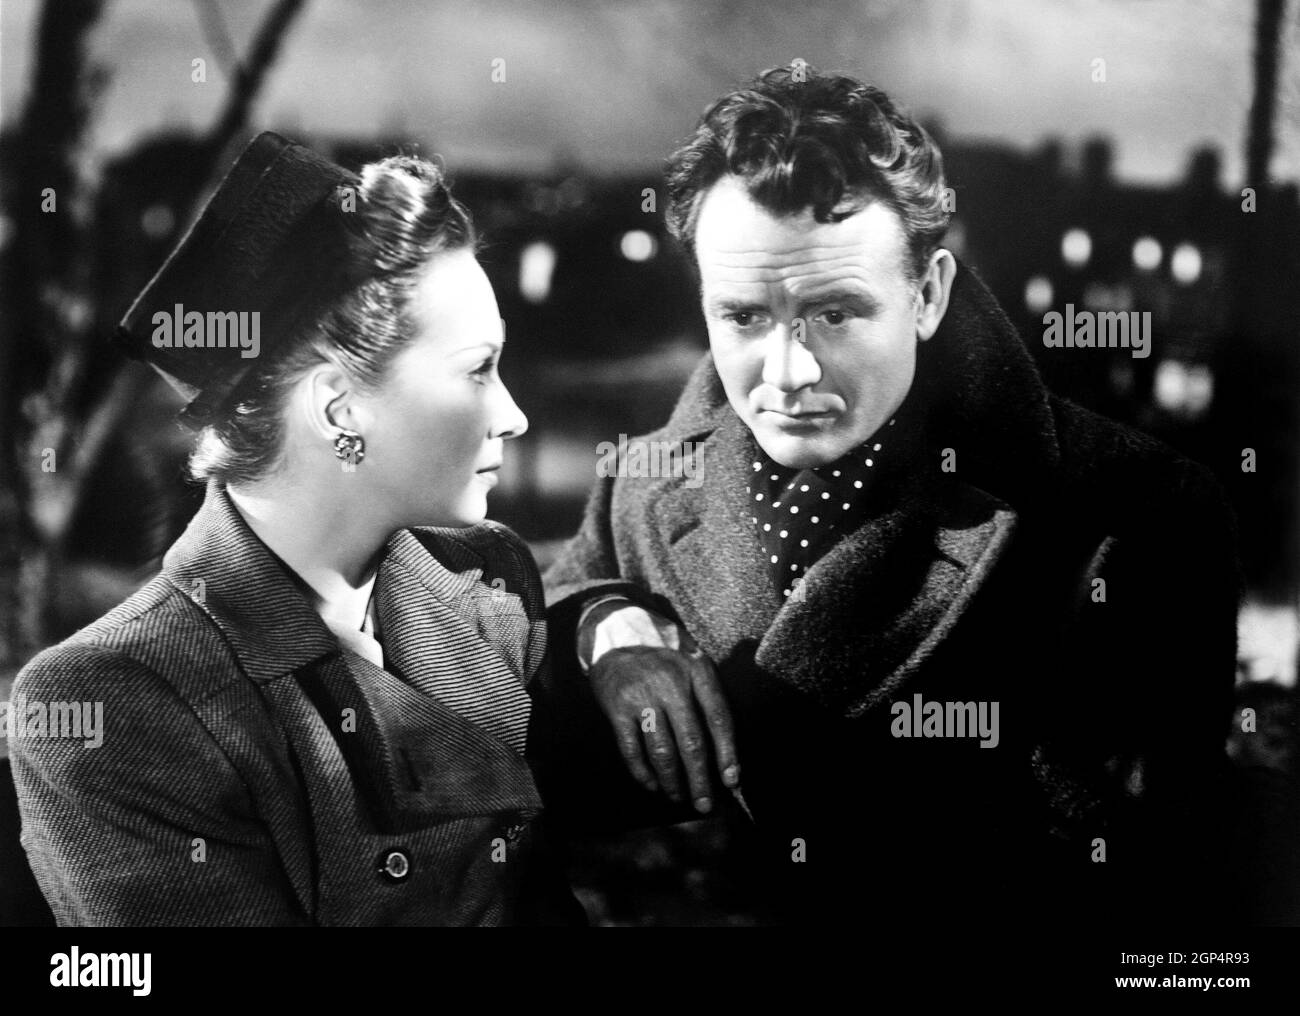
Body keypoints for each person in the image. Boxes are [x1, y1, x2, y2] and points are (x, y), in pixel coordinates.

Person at [544, 67, 1240, 924]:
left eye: (835, 314)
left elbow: (1139, 882)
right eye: (744, 319)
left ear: (930, 294)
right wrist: (605, 628)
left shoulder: (1135, 515)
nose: (789, 374)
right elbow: (559, 584)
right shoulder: (640, 477)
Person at [9, 132, 584, 926]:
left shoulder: (486, 579)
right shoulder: (116, 703)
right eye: (477, 370)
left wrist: (618, 626)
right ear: (340, 408)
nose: (512, 415)